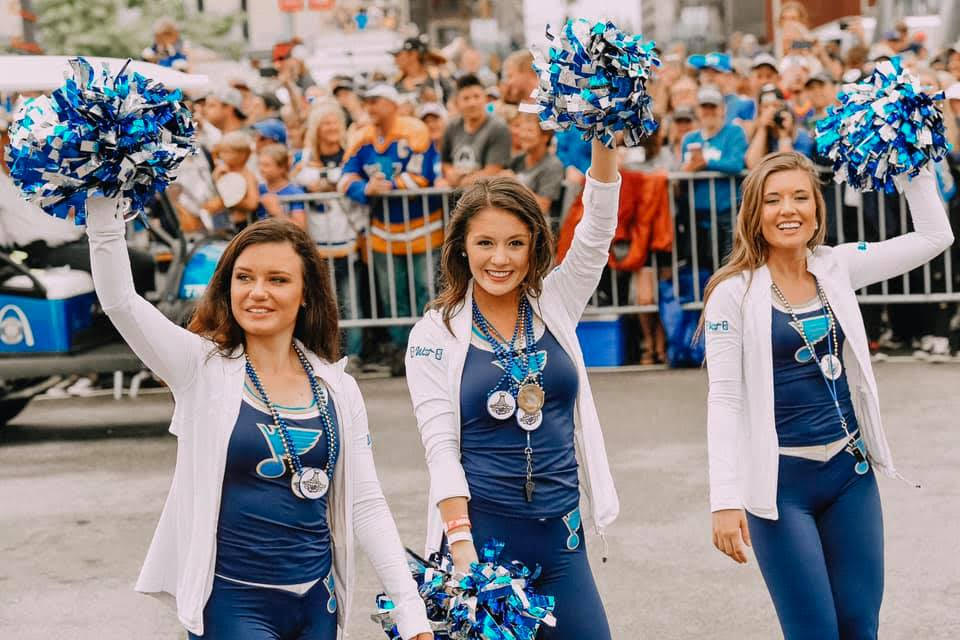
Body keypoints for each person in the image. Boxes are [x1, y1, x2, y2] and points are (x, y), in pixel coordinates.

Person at [79, 189, 433, 638]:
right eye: (244, 278)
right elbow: (121, 304)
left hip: (317, 605)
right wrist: (101, 209)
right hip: (232, 604)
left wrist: (411, 610)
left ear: (307, 293)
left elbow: (365, 503)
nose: (258, 292)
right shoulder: (199, 367)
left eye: (278, 280)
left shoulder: (338, 386)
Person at [702, 152, 953, 639]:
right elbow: (725, 400)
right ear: (753, 214)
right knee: (814, 632)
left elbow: (934, 236)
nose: (787, 209)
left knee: (860, 625)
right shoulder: (731, 293)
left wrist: (911, 156)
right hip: (780, 486)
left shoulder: (835, 265)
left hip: (849, 477)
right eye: (772, 200)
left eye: (800, 197)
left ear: (818, 208)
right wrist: (724, 499)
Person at [405, 139, 620, 640]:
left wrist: (607, 128)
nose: (499, 259)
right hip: (483, 548)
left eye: (515, 243)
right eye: (485, 243)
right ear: (462, 246)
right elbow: (440, 451)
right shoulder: (434, 333)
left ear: (534, 246)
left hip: (563, 543)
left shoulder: (558, 301)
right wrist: (464, 557)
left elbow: (596, 230)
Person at [337, 84, 440, 358]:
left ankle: (430, 346)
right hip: (383, 233)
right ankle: (401, 349)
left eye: (376, 101)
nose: (370, 107)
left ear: (393, 104)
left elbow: (423, 175)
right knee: (393, 296)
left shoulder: (415, 131)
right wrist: (365, 189)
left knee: (426, 288)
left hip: (424, 229)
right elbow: (345, 176)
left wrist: (390, 186)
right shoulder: (362, 138)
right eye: (367, 101)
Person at [293, 103, 366, 365]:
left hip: (346, 239)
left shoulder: (351, 156)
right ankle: (327, 352)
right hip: (316, 243)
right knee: (323, 301)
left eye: (335, 122)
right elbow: (293, 181)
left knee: (351, 299)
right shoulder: (303, 159)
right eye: (326, 123)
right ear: (316, 128)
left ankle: (354, 352)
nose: (332, 128)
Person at [679, 86, 749, 267]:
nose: (709, 112)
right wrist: (685, 171)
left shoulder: (734, 132)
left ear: (722, 109)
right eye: (704, 107)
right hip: (697, 217)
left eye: (713, 107)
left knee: (728, 265)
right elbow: (683, 168)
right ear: (698, 111)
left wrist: (706, 163)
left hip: (727, 213)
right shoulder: (689, 139)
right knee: (700, 268)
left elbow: (736, 163)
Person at [441, 74, 512, 188]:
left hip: (486, 197)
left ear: (485, 98)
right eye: (466, 98)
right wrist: (450, 173)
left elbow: (492, 172)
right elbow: (445, 162)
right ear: (457, 103)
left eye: (476, 96)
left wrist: (459, 182)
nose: (472, 103)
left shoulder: (498, 127)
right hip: (457, 199)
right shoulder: (451, 127)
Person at [504, 112, 565, 216]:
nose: (523, 135)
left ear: (545, 137)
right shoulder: (519, 159)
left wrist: (515, 183)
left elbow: (543, 207)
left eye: (529, 131)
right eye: (522, 130)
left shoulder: (553, 165)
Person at [746, 84, 814, 169]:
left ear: (784, 107)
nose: (771, 111)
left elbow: (788, 166)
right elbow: (752, 165)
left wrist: (784, 135)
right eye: (765, 107)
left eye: (775, 105)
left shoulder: (800, 135)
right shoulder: (756, 133)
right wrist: (762, 128)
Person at [210, 131, 260, 230]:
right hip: (221, 222)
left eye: (227, 152)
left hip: (243, 223)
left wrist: (231, 200)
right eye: (221, 152)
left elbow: (252, 203)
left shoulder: (247, 175)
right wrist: (217, 178)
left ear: (243, 154)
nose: (222, 156)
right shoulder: (222, 170)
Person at [255, 144, 307, 228]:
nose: (261, 169)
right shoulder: (258, 189)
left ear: (282, 168)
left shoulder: (295, 192)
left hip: (284, 239)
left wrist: (277, 212)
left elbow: (300, 227)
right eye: (260, 164)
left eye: (266, 165)